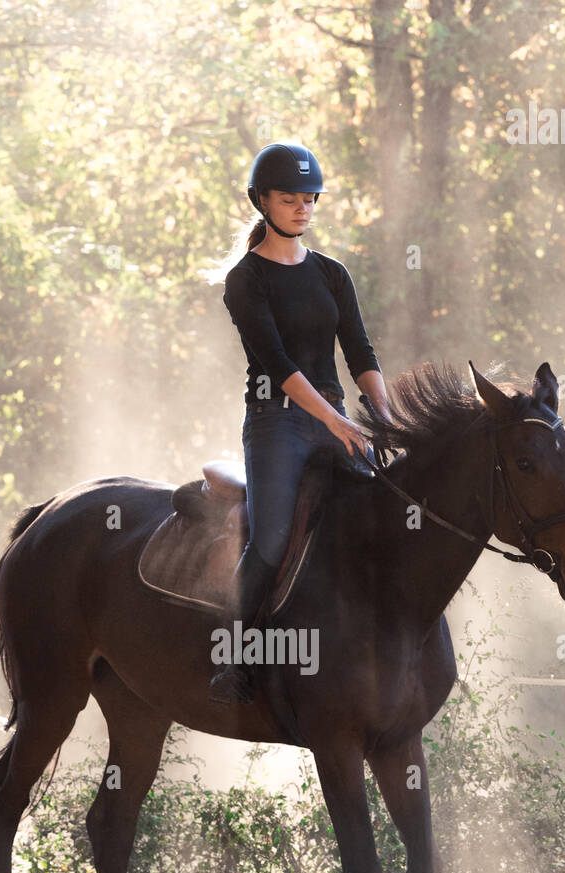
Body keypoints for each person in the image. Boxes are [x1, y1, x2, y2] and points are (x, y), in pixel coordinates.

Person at [208, 140, 393, 704]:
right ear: (261, 201)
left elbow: (360, 352)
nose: (303, 208)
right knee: (269, 538)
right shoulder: (246, 280)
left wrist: (385, 419)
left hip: (334, 418)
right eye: (290, 199)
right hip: (277, 423)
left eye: (310, 199)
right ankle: (235, 657)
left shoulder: (333, 275)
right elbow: (278, 366)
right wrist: (337, 423)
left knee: (386, 512)